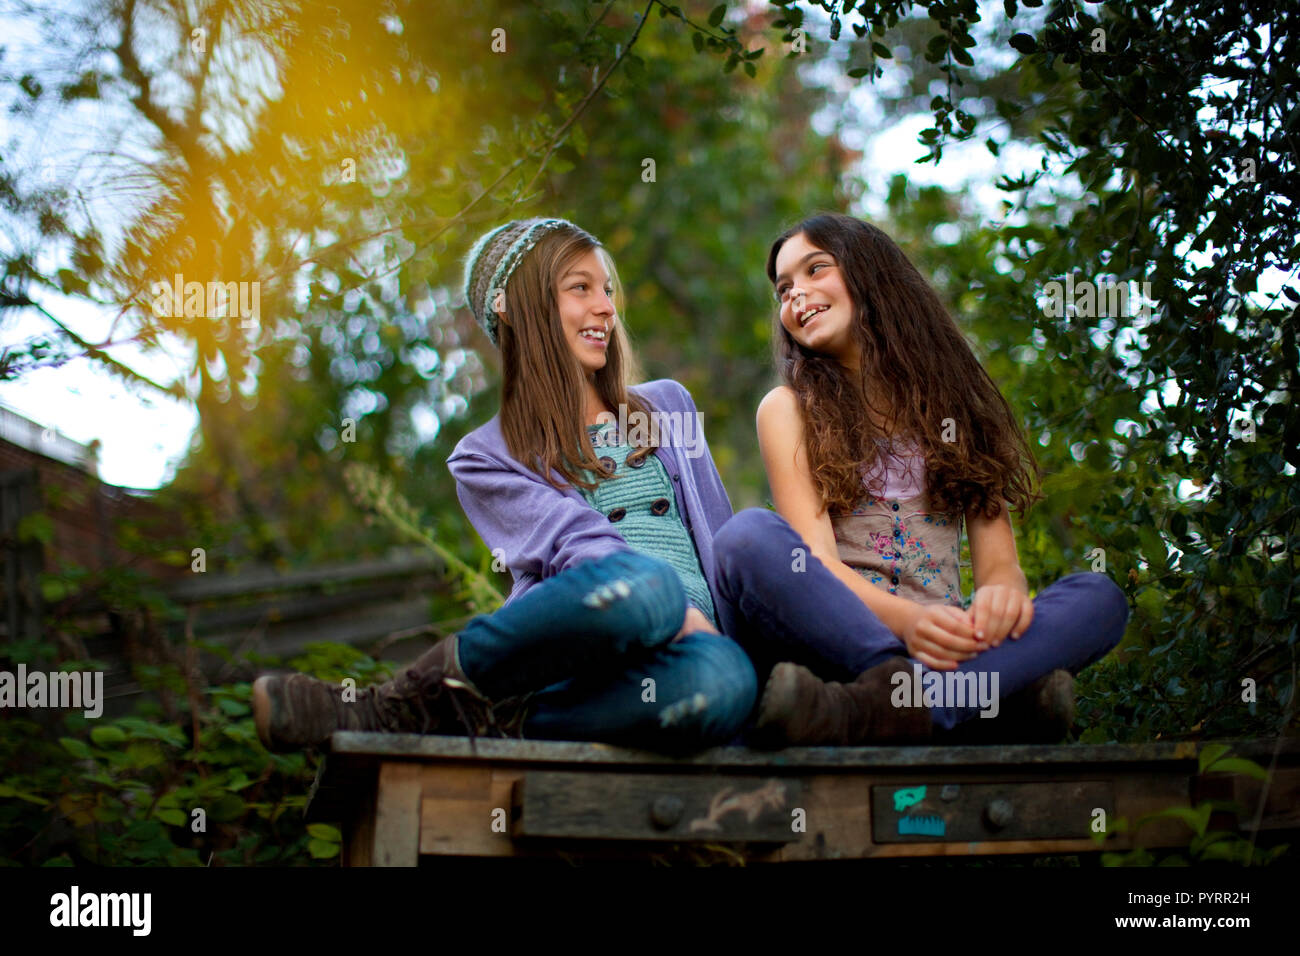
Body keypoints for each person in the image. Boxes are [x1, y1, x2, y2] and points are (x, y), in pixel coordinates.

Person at [253, 217, 756, 754]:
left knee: (726, 682)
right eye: (580, 288)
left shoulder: (668, 405)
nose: (607, 307)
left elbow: (722, 539)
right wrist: (679, 610)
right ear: (516, 308)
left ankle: (511, 722)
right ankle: (404, 701)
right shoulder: (485, 455)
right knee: (647, 586)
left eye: (607, 289)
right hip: (591, 642)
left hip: (686, 660)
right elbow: (576, 543)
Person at [709, 213, 1130, 747]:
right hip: (849, 652)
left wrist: (1001, 595)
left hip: (947, 654)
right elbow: (816, 564)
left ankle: (896, 712)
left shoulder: (954, 411)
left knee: (1099, 597)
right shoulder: (789, 409)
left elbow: (1000, 566)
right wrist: (906, 624)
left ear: (871, 274)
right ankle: (973, 706)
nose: (797, 295)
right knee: (746, 538)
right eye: (784, 288)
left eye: (816, 269)